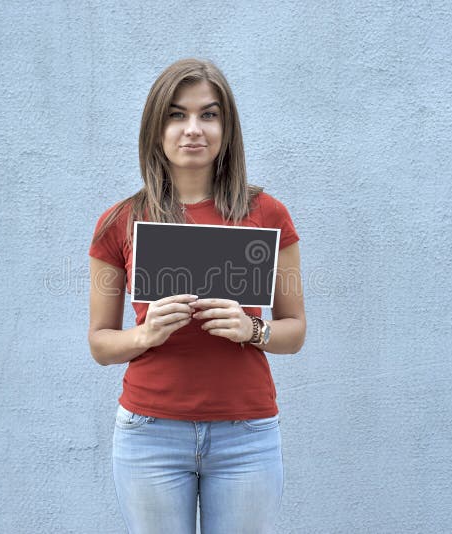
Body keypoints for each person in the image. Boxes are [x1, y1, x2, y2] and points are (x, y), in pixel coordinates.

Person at [88, 58, 306, 534]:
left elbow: (294, 332)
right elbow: (101, 344)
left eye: (209, 115)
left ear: (227, 129)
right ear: (155, 127)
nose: (193, 129)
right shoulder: (118, 223)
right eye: (176, 114)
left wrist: (252, 329)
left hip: (246, 435)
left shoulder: (268, 214)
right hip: (151, 434)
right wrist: (145, 334)